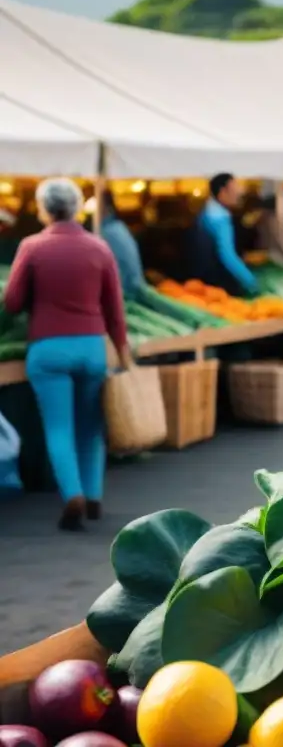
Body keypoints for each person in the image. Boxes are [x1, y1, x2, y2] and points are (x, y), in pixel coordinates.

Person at [3, 178, 130, 532]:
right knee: (91, 426)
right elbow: (114, 310)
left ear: (44, 208)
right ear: (76, 207)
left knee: (58, 427)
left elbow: (12, 302)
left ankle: (71, 494)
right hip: (91, 348)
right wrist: (124, 354)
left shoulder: (31, 247)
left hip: (48, 348)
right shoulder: (100, 248)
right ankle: (93, 496)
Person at [189, 173, 258, 296]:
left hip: (203, 282)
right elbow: (227, 256)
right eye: (235, 188)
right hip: (217, 286)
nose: (239, 193)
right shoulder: (219, 218)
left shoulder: (207, 211)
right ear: (222, 192)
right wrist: (252, 283)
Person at [84, 192, 145, 300]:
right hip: (133, 293)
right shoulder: (118, 227)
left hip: (124, 296)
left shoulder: (105, 233)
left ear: (106, 207)